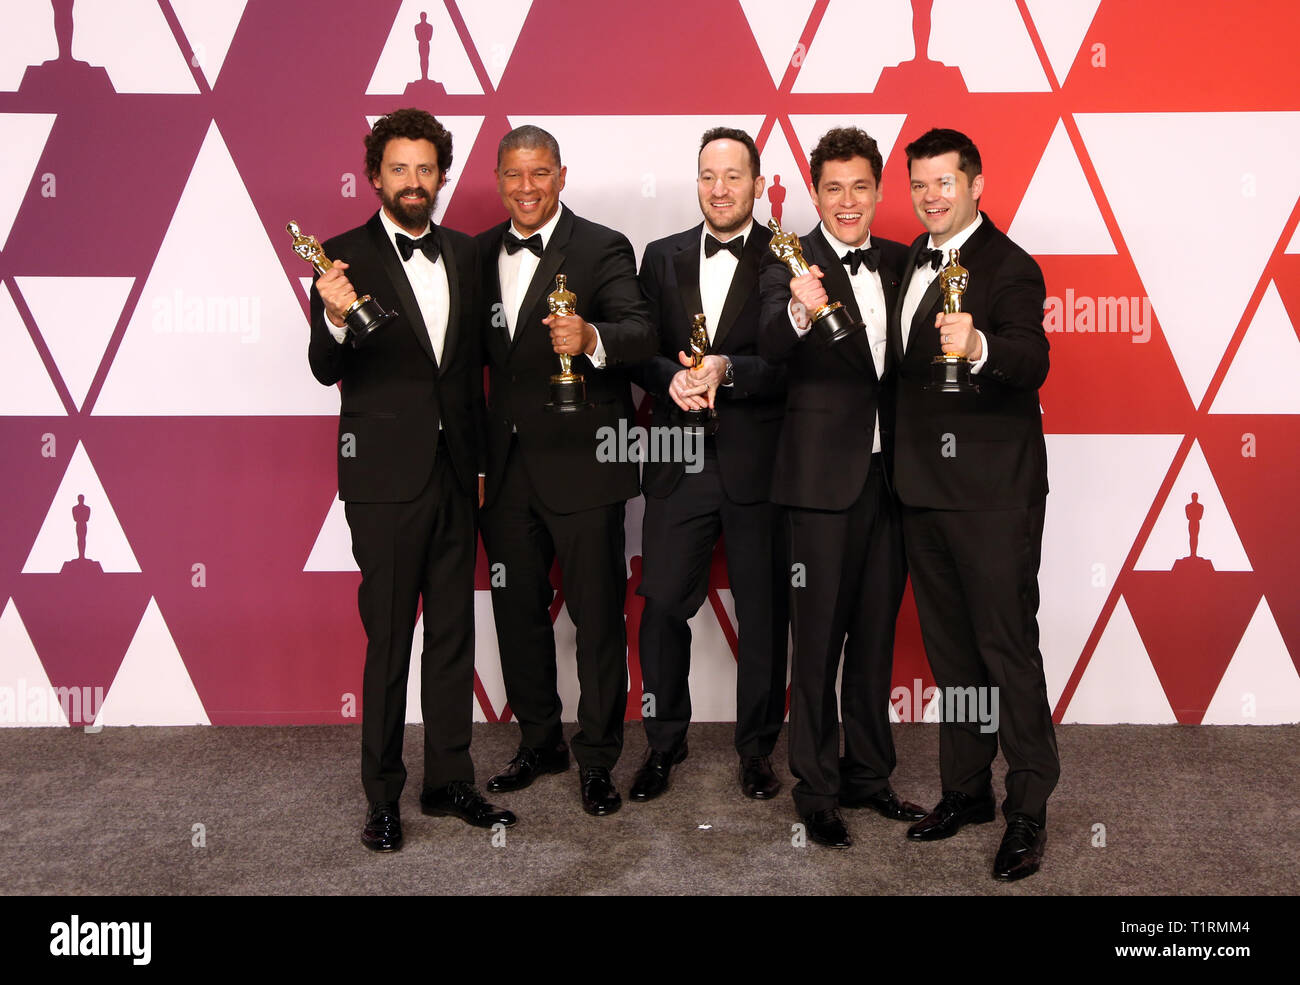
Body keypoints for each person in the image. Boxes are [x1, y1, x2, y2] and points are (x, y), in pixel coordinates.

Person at [308, 107, 514, 852]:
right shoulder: (337, 258)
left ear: (442, 174)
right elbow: (326, 366)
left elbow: (473, 373)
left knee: (453, 635)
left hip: (459, 475)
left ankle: (449, 779)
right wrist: (333, 320)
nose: (414, 181)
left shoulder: (465, 252)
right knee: (391, 640)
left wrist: (485, 464)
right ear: (375, 175)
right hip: (384, 483)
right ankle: (383, 796)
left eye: (426, 168)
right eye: (399, 168)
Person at [891, 127, 1058, 881]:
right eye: (920, 183)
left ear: (977, 183)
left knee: (1006, 651)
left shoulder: (1011, 266)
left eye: (944, 182)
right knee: (954, 656)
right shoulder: (908, 262)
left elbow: (1032, 361)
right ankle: (967, 790)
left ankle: (1028, 805)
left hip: (994, 498)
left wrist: (981, 345)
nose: (931, 196)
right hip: (921, 493)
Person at [477, 125, 656, 817]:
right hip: (508, 468)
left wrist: (590, 338)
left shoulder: (602, 245)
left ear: (561, 175)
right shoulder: (477, 252)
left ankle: (599, 757)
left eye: (540, 173)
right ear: (499, 178)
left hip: (588, 464)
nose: (527, 187)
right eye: (515, 174)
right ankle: (540, 741)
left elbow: (640, 333)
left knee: (597, 618)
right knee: (517, 613)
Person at [759, 126, 924, 849]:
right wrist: (799, 306)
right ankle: (817, 788)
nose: (848, 200)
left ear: (879, 190)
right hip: (821, 484)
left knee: (875, 638)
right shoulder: (787, 259)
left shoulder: (899, 260)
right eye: (833, 188)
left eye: (860, 186)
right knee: (818, 640)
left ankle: (868, 774)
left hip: (894, 482)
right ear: (815, 193)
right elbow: (766, 343)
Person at [630, 127, 788, 803]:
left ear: (758, 183)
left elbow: (791, 362)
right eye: (707, 176)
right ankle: (664, 742)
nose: (719, 189)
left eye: (733, 176)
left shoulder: (786, 256)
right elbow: (637, 344)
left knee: (763, 612)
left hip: (760, 465)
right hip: (679, 459)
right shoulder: (659, 257)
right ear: (696, 182)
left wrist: (730, 371)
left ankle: (757, 750)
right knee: (663, 605)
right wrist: (668, 377)